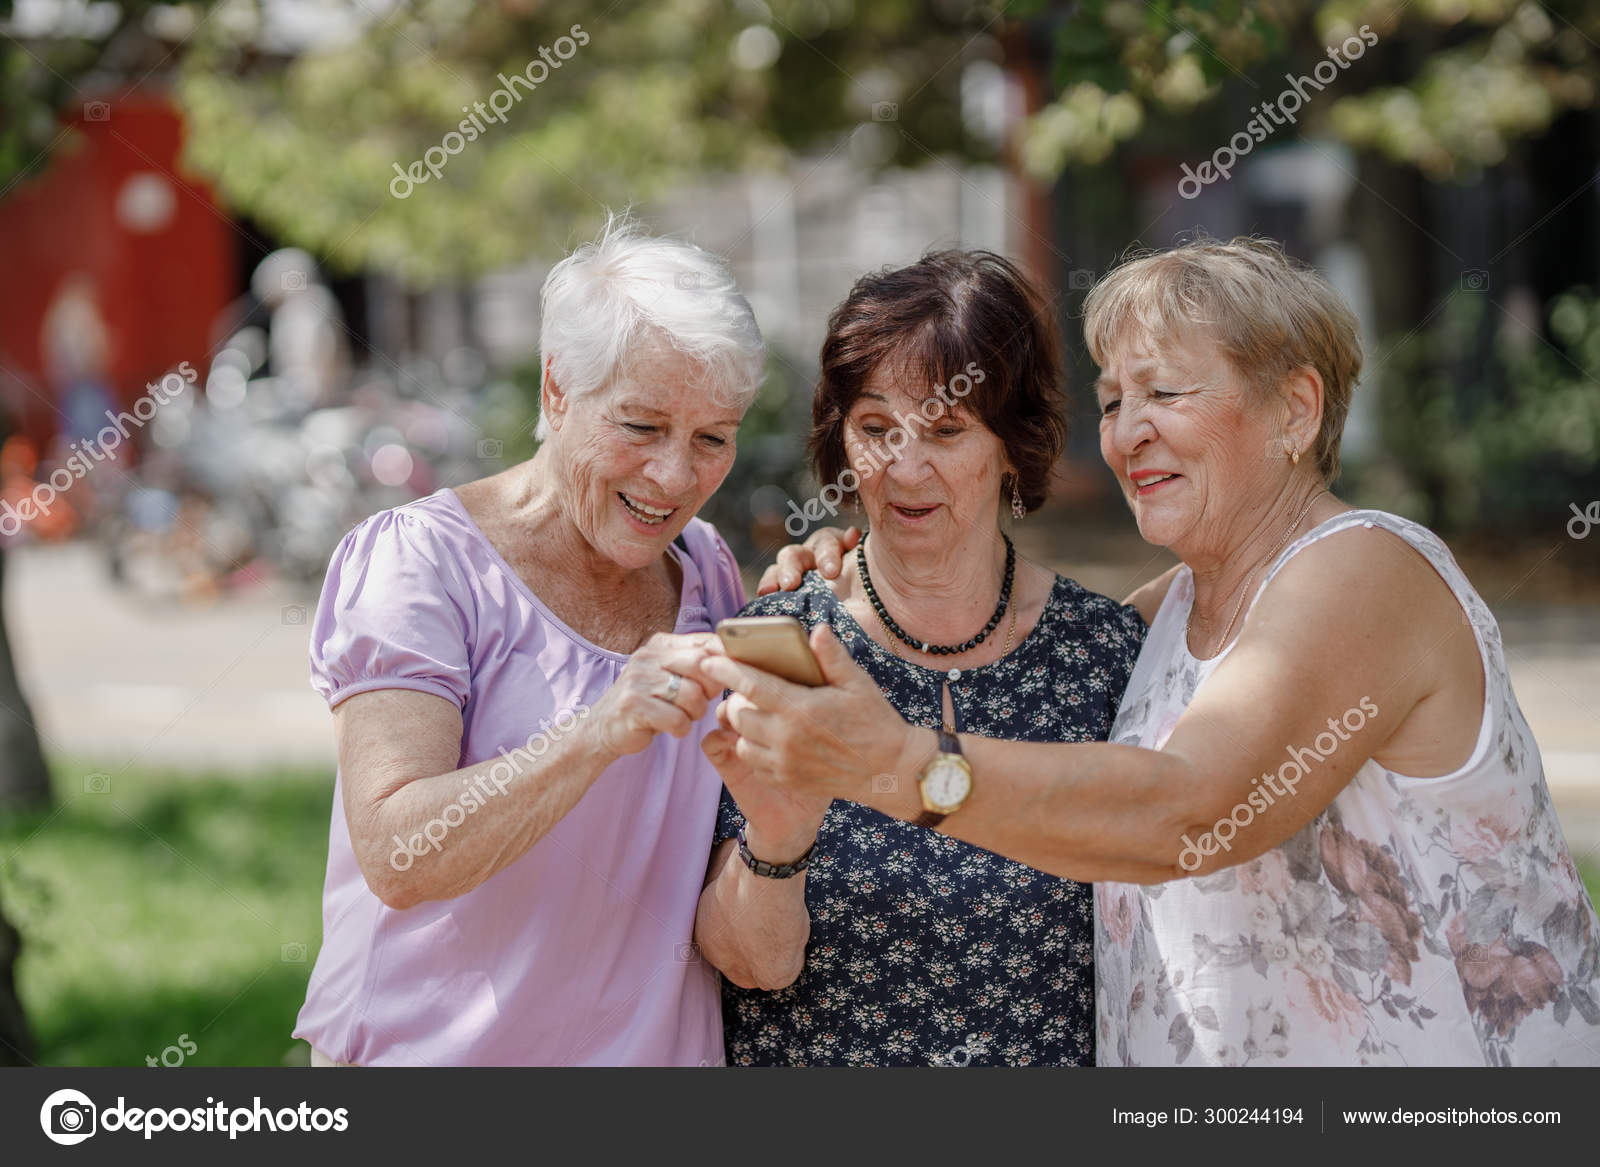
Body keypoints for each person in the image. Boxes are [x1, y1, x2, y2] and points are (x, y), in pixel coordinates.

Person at [706, 237, 1600, 1066]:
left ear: (1295, 408)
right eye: (1113, 400)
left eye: (1166, 392)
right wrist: (839, 559)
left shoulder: (1364, 570)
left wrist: (899, 761)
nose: (1129, 430)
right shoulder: (1158, 618)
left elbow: (1184, 811)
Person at [293, 216, 761, 1065]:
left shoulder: (707, 568)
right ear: (556, 390)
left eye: (712, 439)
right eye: (642, 425)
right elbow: (399, 852)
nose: (675, 476)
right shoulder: (420, 561)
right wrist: (595, 732)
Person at [692, 251, 1145, 1066]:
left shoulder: (1105, 655)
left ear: (1014, 445)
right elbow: (750, 963)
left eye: (944, 431)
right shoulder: (782, 643)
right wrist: (779, 838)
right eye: (875, 429)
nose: (903, 468)